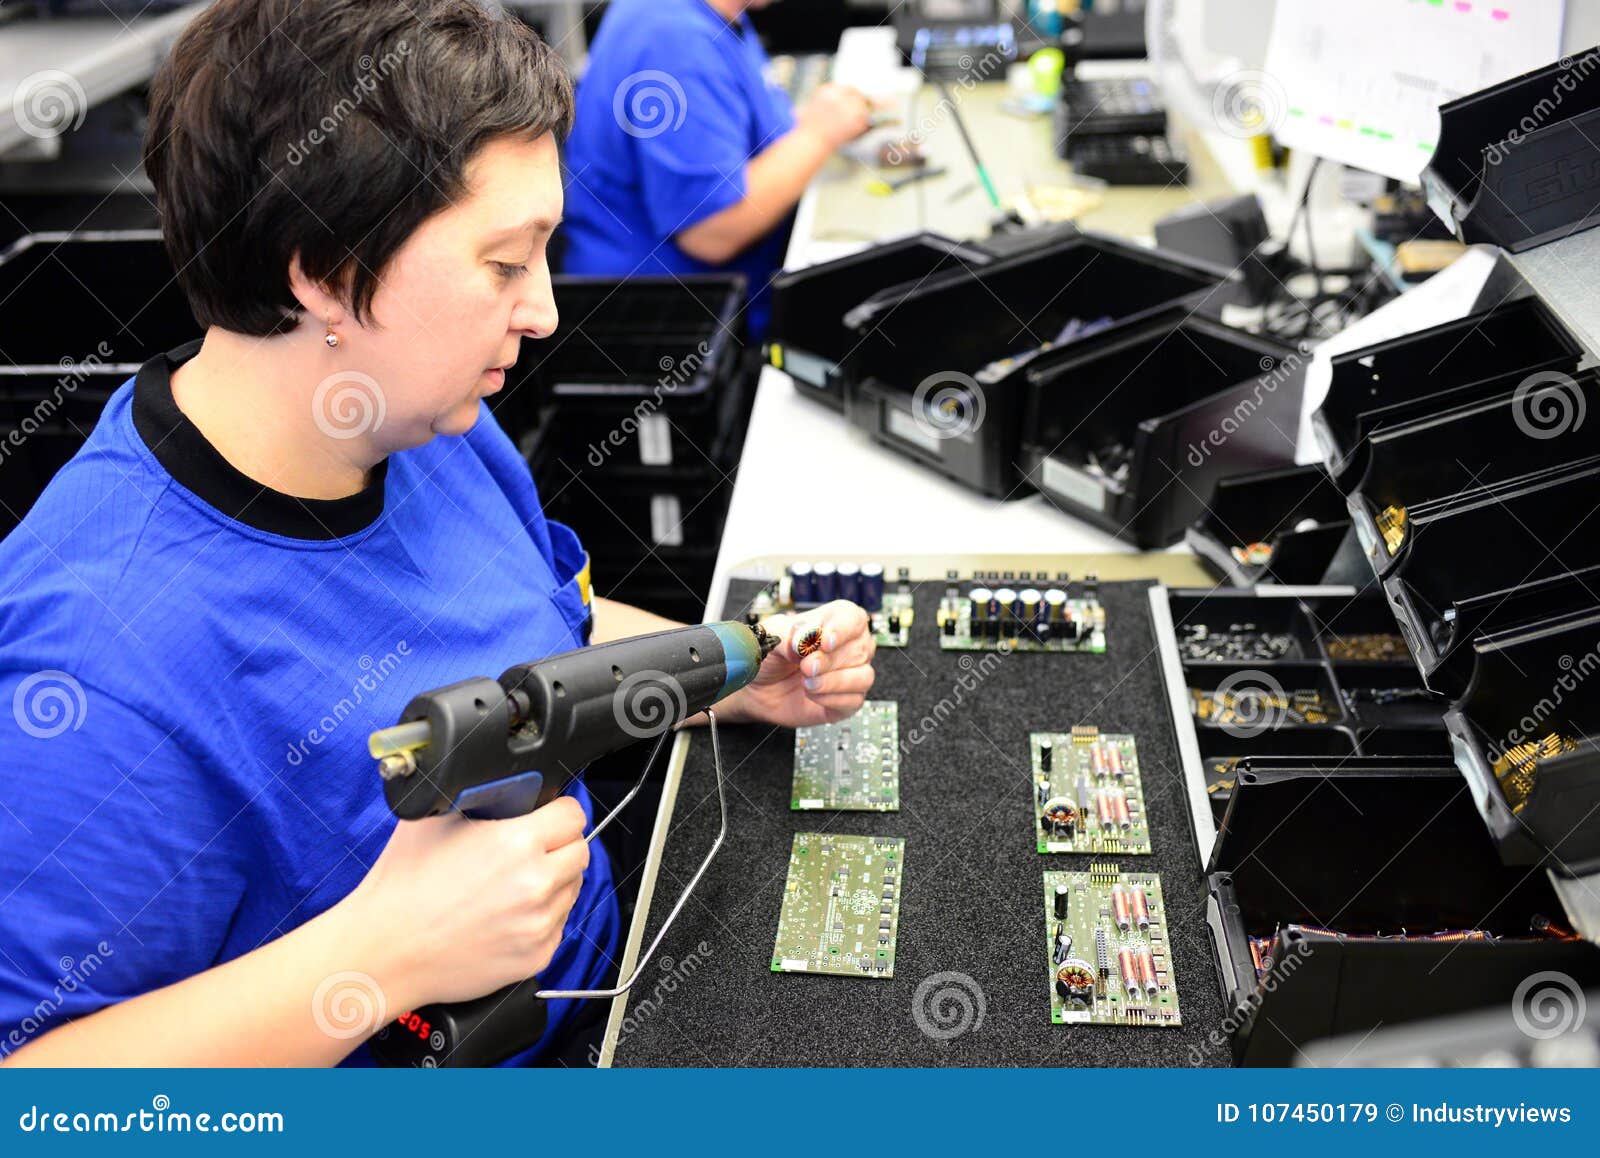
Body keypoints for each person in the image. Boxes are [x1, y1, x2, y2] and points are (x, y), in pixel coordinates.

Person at [0, 0, 874, 1067]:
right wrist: (385, 953)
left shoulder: (417, 415)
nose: (545, 310)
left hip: (604, 981)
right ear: (319, 270)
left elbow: (550, 621)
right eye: (504, 264)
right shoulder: (103, 671)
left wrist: (737, 674)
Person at [560, 0, 875, 337]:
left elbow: (738, 133)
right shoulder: (677, 41)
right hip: (667, 327)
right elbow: (712, 232)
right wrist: (817, 135)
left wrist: (821, 123)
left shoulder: (717, 13)